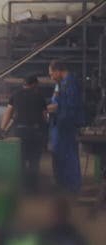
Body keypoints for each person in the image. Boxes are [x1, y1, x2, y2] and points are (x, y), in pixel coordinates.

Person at [1, 75, 48, 192]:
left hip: (19, 132)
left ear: (24, 84)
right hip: (35, 132)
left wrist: (2, 130)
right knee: (34, 161)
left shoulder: (15, 95)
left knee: (20, 161)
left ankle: (22, 189)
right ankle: (33, 189)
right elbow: (45, 116)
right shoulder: (39, 96)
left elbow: (8, 114)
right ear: (34, 85)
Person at [47, 61, 85, 193]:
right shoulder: (60, 84)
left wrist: (55, 109)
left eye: (52, 74)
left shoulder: (70, 83)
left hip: (66, 125)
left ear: (58, 70)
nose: (51, 77)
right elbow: (56, 100)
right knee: (58, 155)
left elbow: (70, 106)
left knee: (68, 156)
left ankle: (72, 187)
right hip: (59, 124)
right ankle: (62, 184)